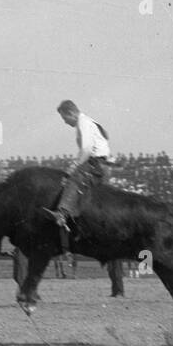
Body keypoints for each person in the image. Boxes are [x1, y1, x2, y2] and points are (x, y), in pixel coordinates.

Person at [47, 99, 111, 252]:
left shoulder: (83, 123)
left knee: (73, 181)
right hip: (103, 163)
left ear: (71, 113)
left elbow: (87, 150)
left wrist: (72, 168)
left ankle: (61, 214)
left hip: (96, 163)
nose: (64, 122)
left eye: (64, 118)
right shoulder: (90, 121)